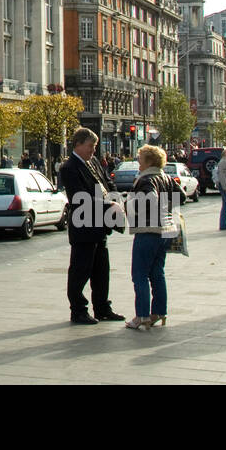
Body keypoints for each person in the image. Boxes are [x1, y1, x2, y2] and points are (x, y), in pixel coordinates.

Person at [59, 127, 126, 325]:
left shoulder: (93, 162)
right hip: (84, 226)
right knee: (80, 271)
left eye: (95, 146)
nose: (93, 150)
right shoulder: (69, 167)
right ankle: (78, 310)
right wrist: (108, 205)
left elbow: (107, 183)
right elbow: (80, 198)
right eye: (90, 146)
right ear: (78, 144)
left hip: (100, 226)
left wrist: (116, 199)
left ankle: (102, 307)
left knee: (101, 270)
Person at [125, 144, 179, 329]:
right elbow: (181, 196)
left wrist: (134, 208)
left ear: (148, 161)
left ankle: (142, 316)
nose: (138, 161)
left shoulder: (146, 179)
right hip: (164, 230)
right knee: (157, 273)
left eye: (140, 158)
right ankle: (159, 312)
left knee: (139, 274)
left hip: (147, 230)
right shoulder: (165, 177)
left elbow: (151, 199)